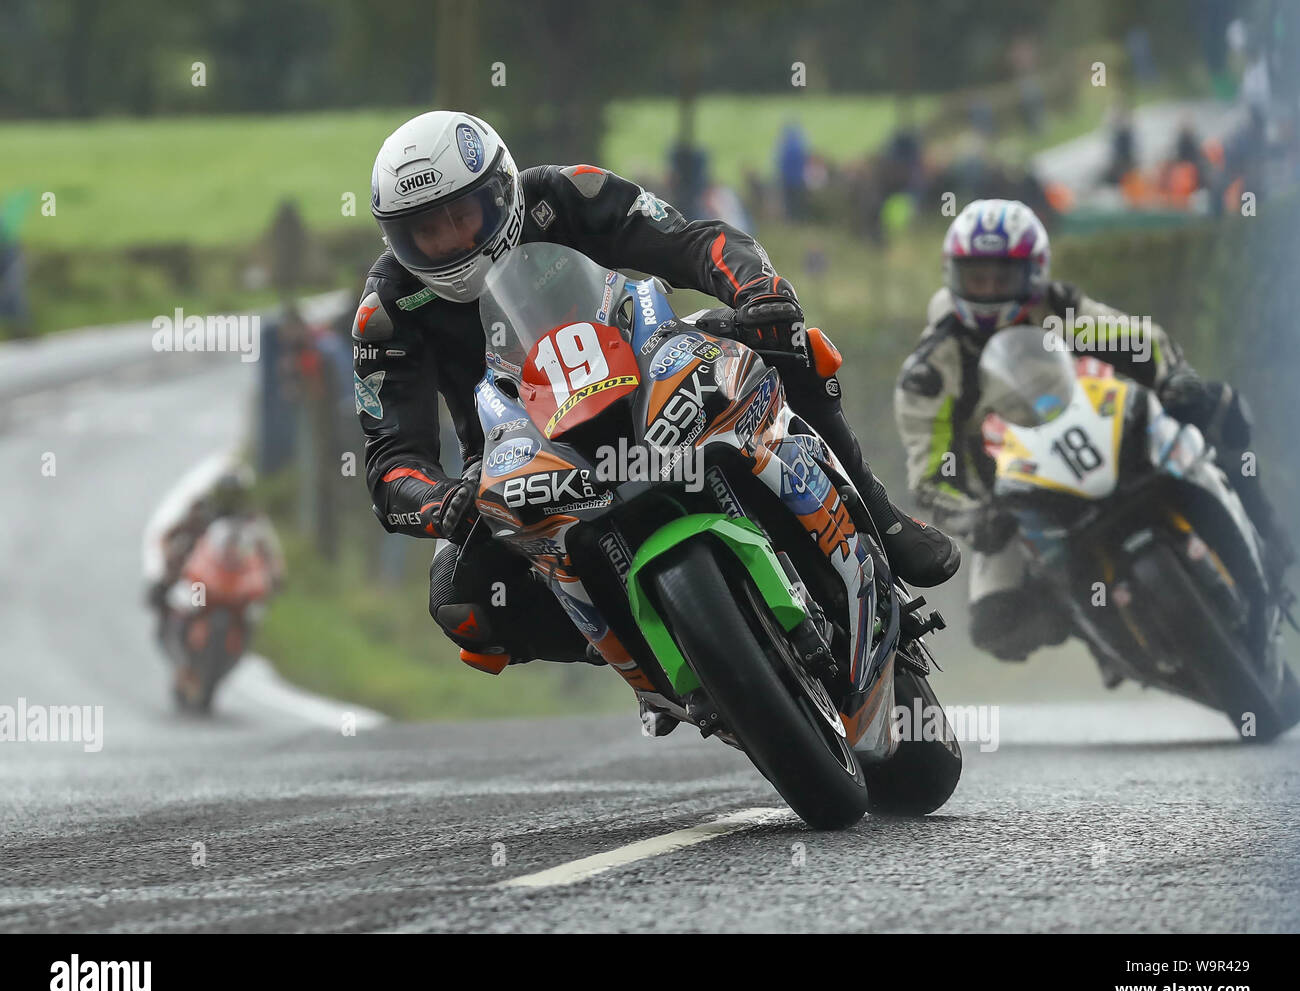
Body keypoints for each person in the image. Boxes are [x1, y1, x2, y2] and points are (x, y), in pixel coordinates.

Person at [353, 110, 961, 735]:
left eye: (463, 216)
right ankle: (640, 652)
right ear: (398, 239)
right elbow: (390, 457)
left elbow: (694, 240)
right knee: (458, 600)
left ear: (500, 193)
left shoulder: (567, 193)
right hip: (520, 444)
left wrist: (755, 289)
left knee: (787, 341)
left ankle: (880, 519)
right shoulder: (387, 312)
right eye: (428, 230)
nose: (452, 240)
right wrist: (438, 501)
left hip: (649, 359)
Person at [894, 198, 1291, 664]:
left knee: (1218, 406)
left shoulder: (1058, 306)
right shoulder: (930, 371)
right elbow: (928, 474)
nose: (989, 291)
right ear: (953, 275)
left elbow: (1137, 343)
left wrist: (1175, 380)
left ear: (1034, 273)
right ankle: (1092, 620)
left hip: (1098, 434)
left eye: (1003, 278)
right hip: (1012, 496)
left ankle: (1268, 534)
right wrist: (974, 516)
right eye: (976, 278)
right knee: (995, 622)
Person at [142, 454, 285, 627]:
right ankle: (177, 605)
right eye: (227, 493)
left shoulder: (252, 519)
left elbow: (269, 547)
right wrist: (169, 554)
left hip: (235, 572)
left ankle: (243, 619)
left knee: (257, 597)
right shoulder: (202, 509)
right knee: (186, 584)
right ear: (218, 491)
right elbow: (174, 533)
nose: (231, 499)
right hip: (202, 570)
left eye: (235, 494)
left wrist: (276, 572)